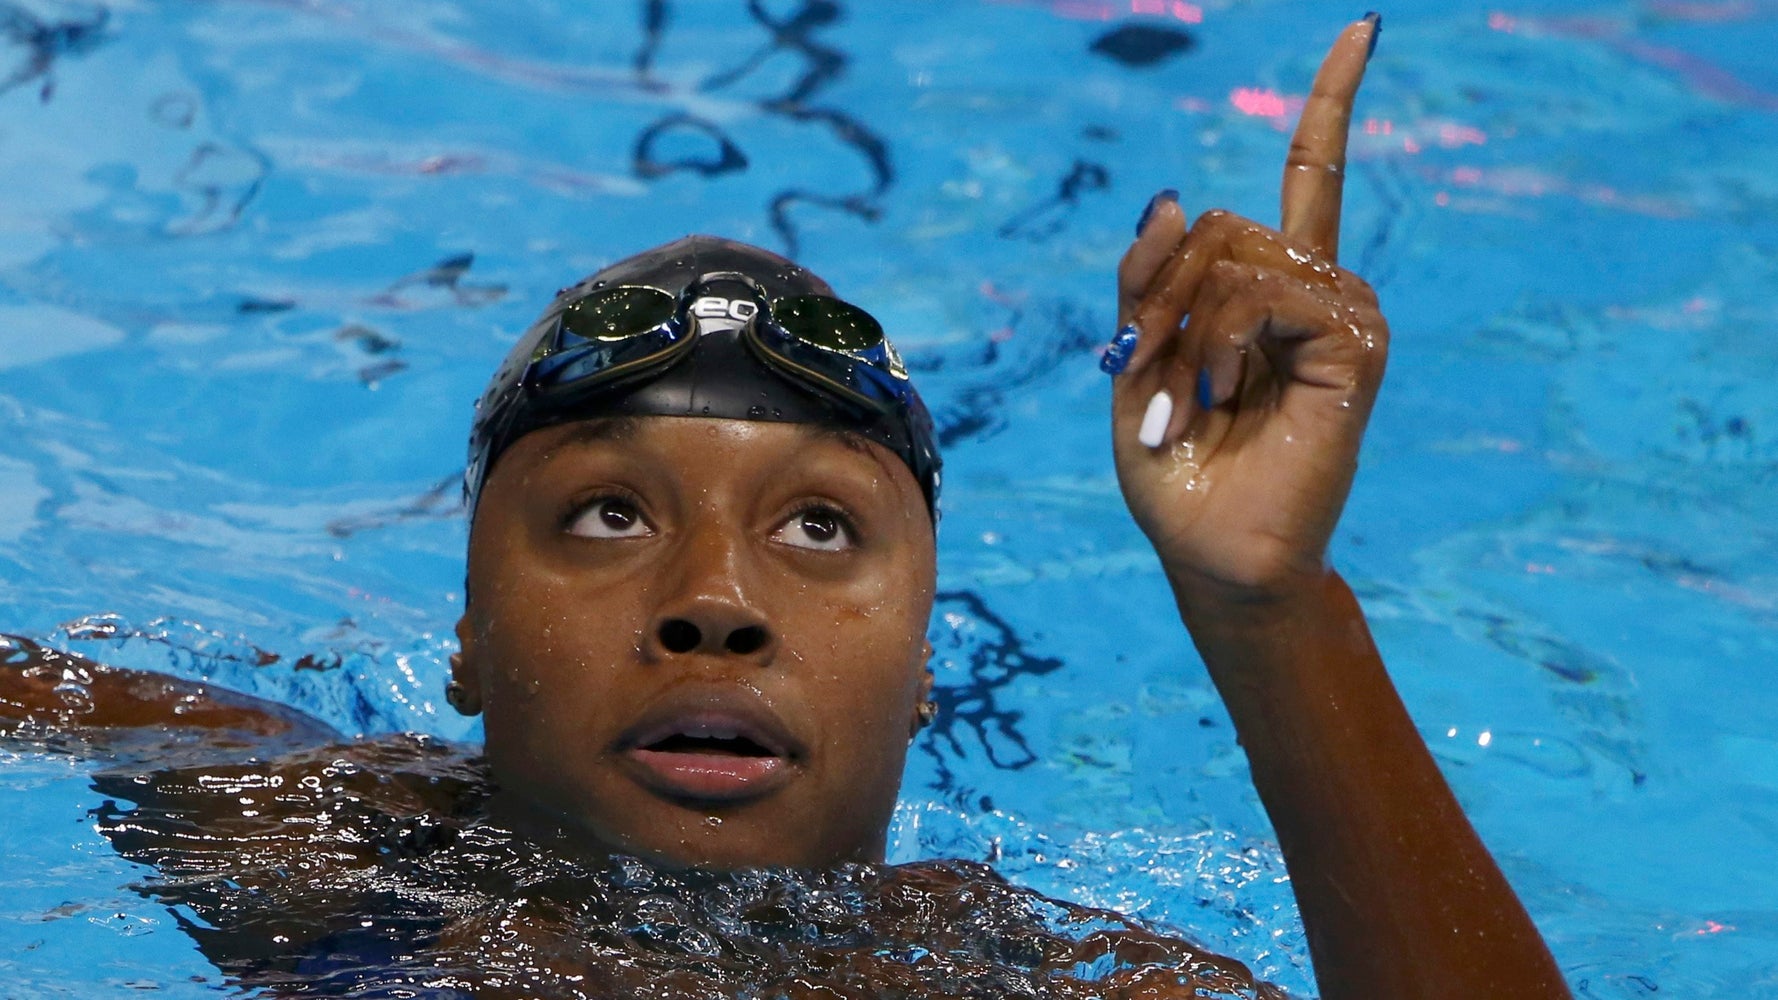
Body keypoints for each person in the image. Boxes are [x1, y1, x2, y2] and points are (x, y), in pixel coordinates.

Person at [1, 17, 1572, 999]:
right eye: (607, 516)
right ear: (466, 637)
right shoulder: (308, 838)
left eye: (819, 527)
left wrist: (1264, 606)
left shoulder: (1045, 987)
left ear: (927, 668)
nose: (714, 602)